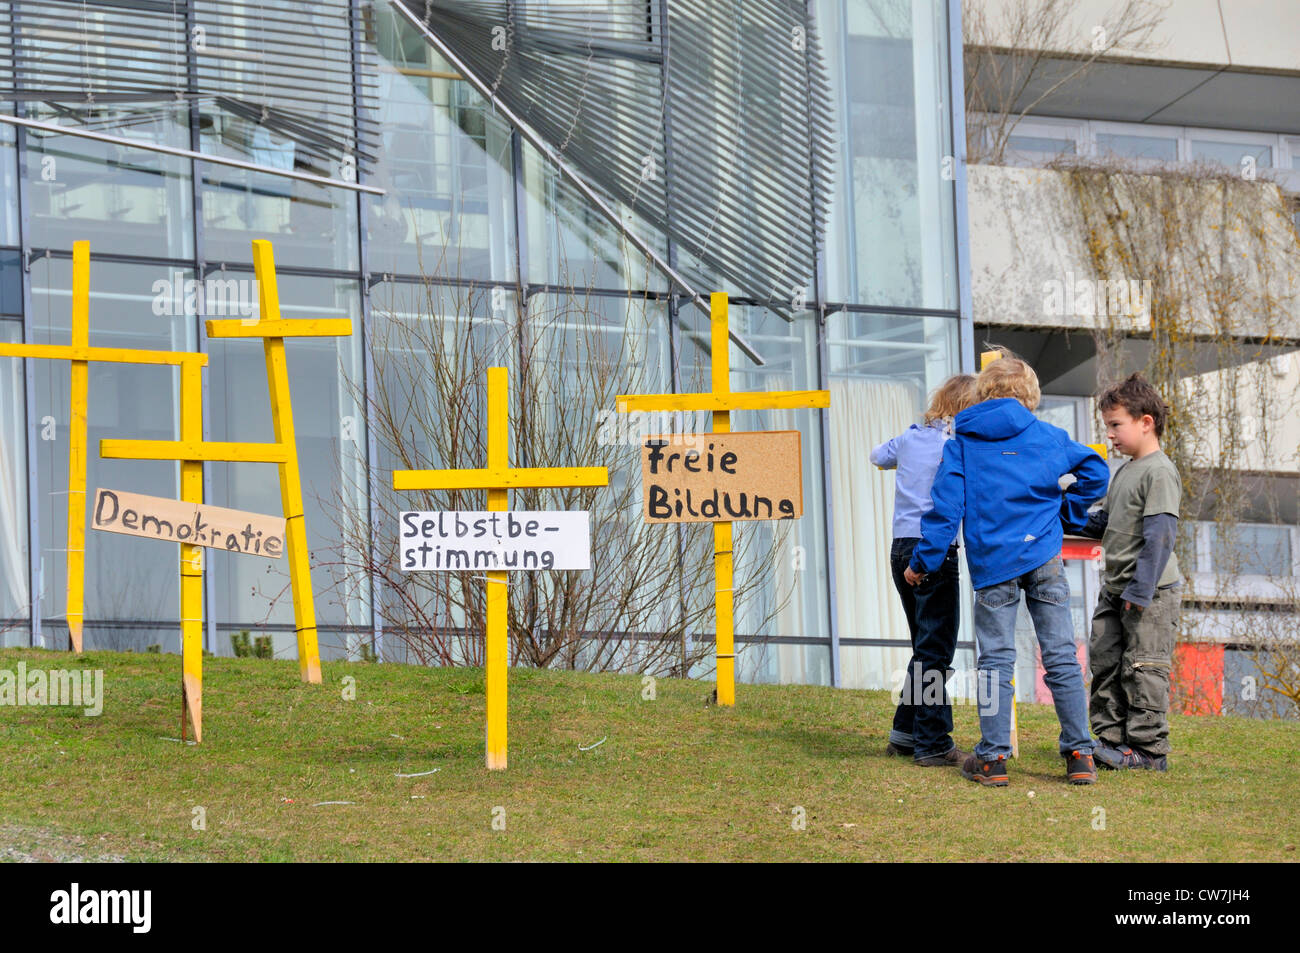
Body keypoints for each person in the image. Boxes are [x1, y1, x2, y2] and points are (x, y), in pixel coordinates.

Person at [904, 354, 1109, 787]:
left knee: (996, 661)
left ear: (982, 393)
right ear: (1030, 397)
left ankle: (993, 760)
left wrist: (921, 563)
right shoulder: (1049, 436)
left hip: (993, 565)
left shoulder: (961, 445)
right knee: (1060, 656)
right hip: (1045, 557)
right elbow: (1096, 471)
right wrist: (1067, 514)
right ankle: (1080, 754)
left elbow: (945, 512)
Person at [871, 374, 978, 767]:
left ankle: (904, 732)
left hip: (900, 548)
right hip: (934, 550)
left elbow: (877, 455)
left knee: (923, 647)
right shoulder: (957, 446)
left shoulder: (910, 438)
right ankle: (933, 742)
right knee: (936, 652)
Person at [1077, 374, 1182, 771]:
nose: (1110, 434)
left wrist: (1138, 593)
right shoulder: (1126, 471)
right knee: (1105, 659)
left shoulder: (1159, 471)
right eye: (1108, 426)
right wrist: (1059, 514)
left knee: (1143, 666)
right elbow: (1106, 522)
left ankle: (1148, 750)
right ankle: (1111, 739)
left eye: (1115, 425)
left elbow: (1159, 538)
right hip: (1115, 588)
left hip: (1148, 594)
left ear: (1146, 422)